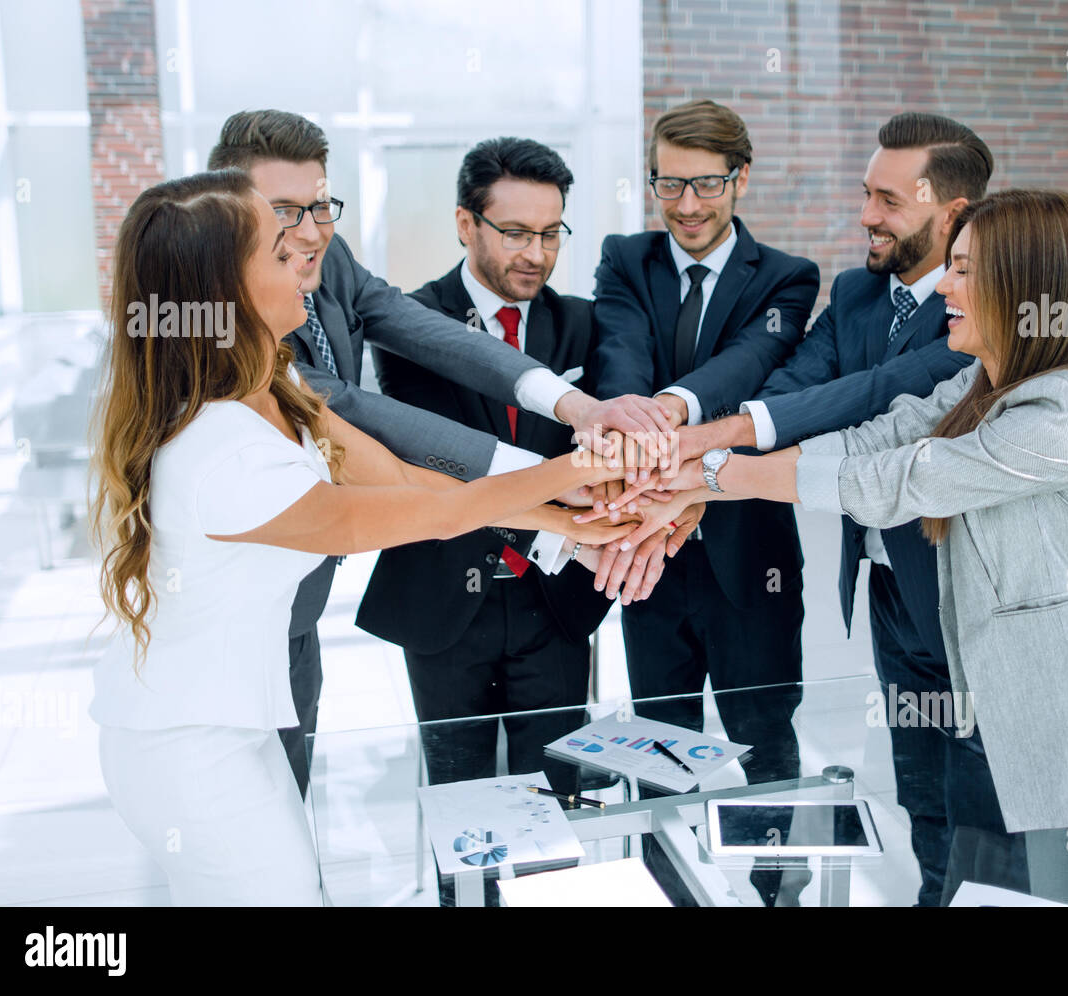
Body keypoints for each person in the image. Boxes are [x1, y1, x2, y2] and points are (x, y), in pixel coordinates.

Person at [638, 188, 1068, 907]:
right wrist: (711, 475)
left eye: (966, 270)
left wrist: (714, 475)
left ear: (1024, 285)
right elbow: (881, 436)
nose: (944, 284)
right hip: (1051, 758)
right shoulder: (985, 380)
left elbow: (901, 480)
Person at [88, 168, 630, 905]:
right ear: (228, 295)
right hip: (186, 746)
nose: (307, 251)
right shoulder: (221, 451)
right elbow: (435, 518)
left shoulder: (276, 382)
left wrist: (566, 525)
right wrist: (583, 466)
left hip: (234, 725)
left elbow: (406, 483)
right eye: (279, 253)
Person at [206, 111, 672, 797]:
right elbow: (352, 412)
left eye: (318, 206)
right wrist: (551, 490)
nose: (309, 232)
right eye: (284, 212)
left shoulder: (322, 256)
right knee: (255, 821)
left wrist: (573, 407)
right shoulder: (230, 333)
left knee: (290, 808)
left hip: (302, 607)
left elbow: (413, 327)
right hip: (239, 624)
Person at [664, 112, 1022, 905]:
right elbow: (800, 386)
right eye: (867, 193)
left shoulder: (985, 313)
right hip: (891, 584)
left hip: (969, 591)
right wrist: (710, 469)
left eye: (889, 201)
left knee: (985, 798)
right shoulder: (860, 291)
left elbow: (875, 401)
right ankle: (934, 894)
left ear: (953, 213)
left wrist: (713, 458)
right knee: (919, 782)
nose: (866, 215)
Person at [357, 137, 702, 798]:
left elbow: (615, 454)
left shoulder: (586, 325)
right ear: (466, 223)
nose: (537, 253)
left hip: (557, 603)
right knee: (462, 809)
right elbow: (438, 461)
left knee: (552, 804)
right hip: (445, 595)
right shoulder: (411, 323)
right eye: (515, 232)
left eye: (551, 233)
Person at [590, 99, 819, 905]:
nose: (686, 205)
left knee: (764, 737)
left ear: (740, 179)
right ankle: (670, 890)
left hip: (747, 554)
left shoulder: (789, 278)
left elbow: (751, 364)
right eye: (668, 184)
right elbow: (617, 353)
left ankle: (775, 888)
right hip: (650, 550)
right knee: (659, 743)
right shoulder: (626, 259)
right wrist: (634, 418)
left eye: (706, 185)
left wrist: (670, 415)